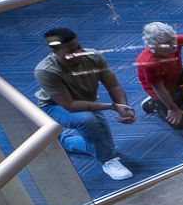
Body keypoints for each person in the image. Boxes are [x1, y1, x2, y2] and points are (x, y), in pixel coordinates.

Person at [34, 26, 137, 181]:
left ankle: (62, 141)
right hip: (54, 107)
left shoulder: (93, 56)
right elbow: (69, 105)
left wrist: (124, 107)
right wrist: (113, 106)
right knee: (88, 121)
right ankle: (107, 161)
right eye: (70, 51)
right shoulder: (45, 71)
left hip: (87, 103)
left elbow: (114, 86)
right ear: (54, 52)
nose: (79, 53)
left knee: (103, 144)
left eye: (79, 47)